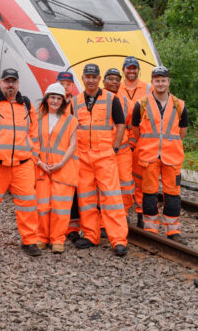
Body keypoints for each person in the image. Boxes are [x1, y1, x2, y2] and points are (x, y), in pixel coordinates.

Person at [0, 69, 41, 257]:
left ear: (18, 84)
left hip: (23, 164)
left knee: (27, 204)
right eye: (7, 81)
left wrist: (33, 157)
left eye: (13, 81)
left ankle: (29, 241)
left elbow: (34, 134)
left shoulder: (26, 104)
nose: (10, 85)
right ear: (1, 82)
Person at [70, 63, 129, 257]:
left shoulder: (112, 99)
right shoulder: (75, 101)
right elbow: (71, 127)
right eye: (87, 76)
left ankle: (118, 239)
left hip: (105, 156)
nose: (90, 80)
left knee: (111, 199)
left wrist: (115, 147)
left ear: (99, 79)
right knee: (86, 199)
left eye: (94, 77)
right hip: (83, 157)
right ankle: (90, 235)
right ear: (83, 78)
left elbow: (121, 124)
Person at [132, 66, 189, 243]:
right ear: (152, 82)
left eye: (163, 80)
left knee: (173, 194)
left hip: (172, 158)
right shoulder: (141, 104)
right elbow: (136, 131)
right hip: (149, 157)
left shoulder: (180, 105)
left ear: (168, 82)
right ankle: (151, 229)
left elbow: (183, 131)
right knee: (148, 193)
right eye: (157, 80)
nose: (160, 83)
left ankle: (173, 231)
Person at [34, 82, 79, 254]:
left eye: (58, 98)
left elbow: (73, 145)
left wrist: (60, 163)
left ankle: (58, 239)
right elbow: (32, 142)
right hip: (42, 168)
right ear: (46, 99)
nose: (54, 101)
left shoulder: (71, 120)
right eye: (52, 97)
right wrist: (39, 163)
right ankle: (42, 237)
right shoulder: (38, 119)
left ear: (63, 101)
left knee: (61, 207)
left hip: (63, 168)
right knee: (42, 206)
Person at [103, 68, 137, 221]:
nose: (114, 82)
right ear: (103, 81)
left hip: (122, 151)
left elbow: (132, 127)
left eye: (117, 79)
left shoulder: (127, 103)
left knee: (126, 184)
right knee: (105, 185)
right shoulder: (97, 100)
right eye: (110, 79)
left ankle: (122, 213)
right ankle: (105, 216)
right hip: (102, 150)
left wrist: (129, 144)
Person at [119, 56, 149, 226]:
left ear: (138, 70)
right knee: (123, 179)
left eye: (134, 68)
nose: (131, 71)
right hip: (123, 139)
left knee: (140, 178)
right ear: (123, 70)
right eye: (128, 68)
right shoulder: (116, 88)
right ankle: (123, 213)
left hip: (142, 139)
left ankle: (140, 213)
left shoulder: (147, 88)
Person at [55, 71, 81, 241]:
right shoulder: (51, 102)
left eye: (68, 84)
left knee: (75, 193)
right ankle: (56, 227)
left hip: (74, 154)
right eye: (62, 83)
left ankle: (72, 228)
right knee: (56, 194)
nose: (65, 87)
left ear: (72, 86)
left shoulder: (78, 104)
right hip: (55, 155)